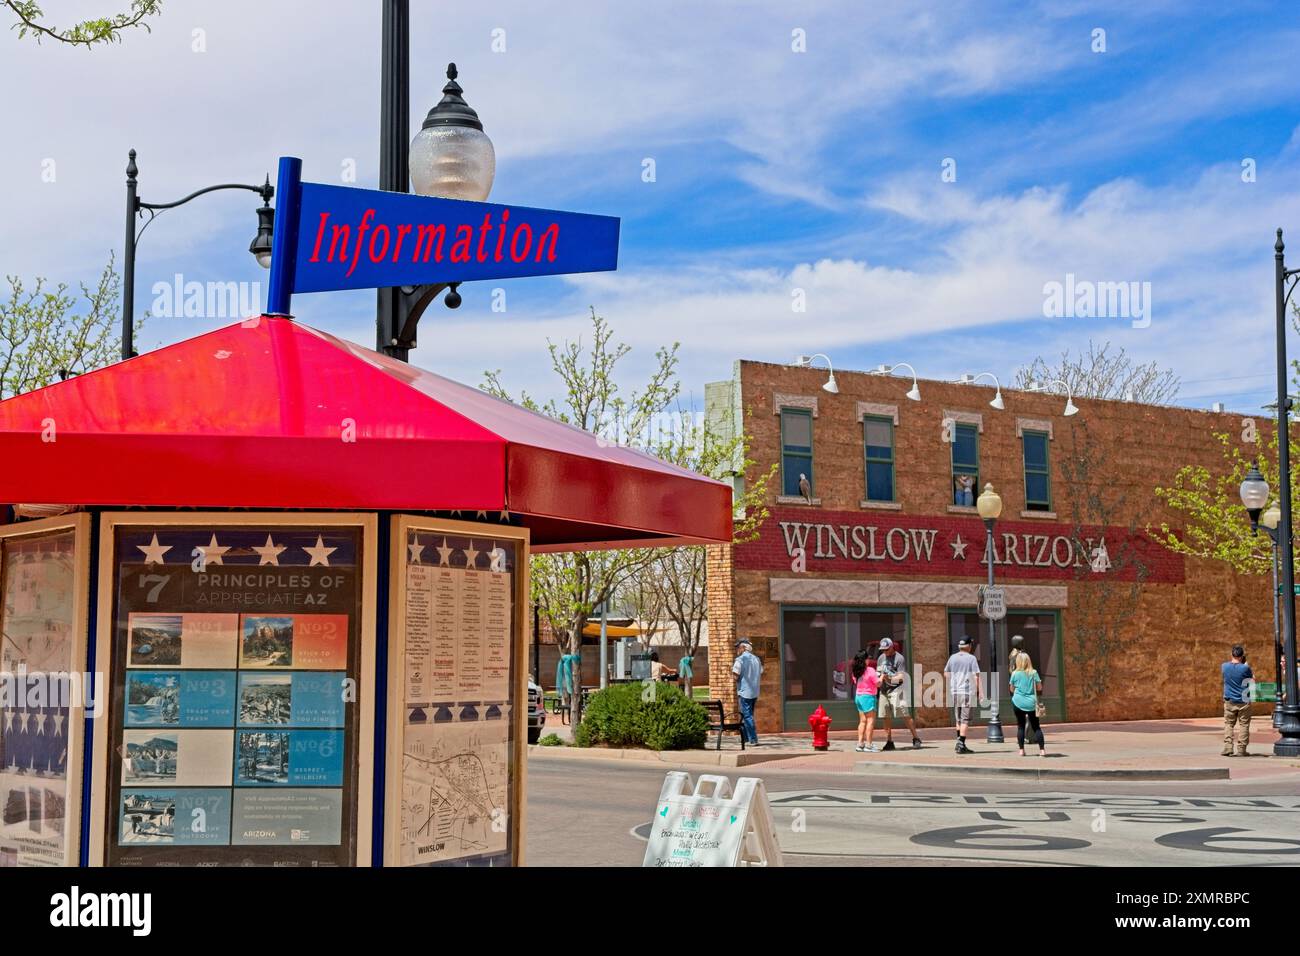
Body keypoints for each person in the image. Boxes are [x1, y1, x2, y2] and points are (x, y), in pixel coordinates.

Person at [876, 637, 923, 750]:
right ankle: (889, 741)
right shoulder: (881, 658)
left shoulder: (899, 658)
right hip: (884, 691)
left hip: (897, 689)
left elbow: (901, 677)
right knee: (885, 716)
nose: (884, 652)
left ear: (892, 647)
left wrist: (889, 678)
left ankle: (916, 738)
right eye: (882, 650)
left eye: (886, 649)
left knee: (904, 714)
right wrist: (879, 678)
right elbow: (878, 672)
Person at [944, 637, 983, 754]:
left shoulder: (952, 658)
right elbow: (976, 676)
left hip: (955, 692)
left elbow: (946, 674)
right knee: (965, 719)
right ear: (969, 646)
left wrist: (955, 679)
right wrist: (980, 692)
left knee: (958, 718)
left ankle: (959, 743)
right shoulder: (971, 658)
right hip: (967, 692)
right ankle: (961, 744)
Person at [1009, 653, 1046, 757]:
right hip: (1031, 702)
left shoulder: (1015, 674)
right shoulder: (1033, 673)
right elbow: (1039, 688)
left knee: (1020, 726)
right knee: (1036, 727)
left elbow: (1011, 689)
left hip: (1018, 701)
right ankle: (1042, 750)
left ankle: (1021, 750)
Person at [1222, 644, 1254, 757]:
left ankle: (1228, 747)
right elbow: (1251, 681)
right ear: (1242, 656)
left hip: (1229, 699)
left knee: (1229, 724)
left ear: (1232, 654)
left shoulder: (1224, 666)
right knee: (1244, 725)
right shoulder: (1245, 668)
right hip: (1244, 700)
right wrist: (1246, 666)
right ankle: (1241, 750)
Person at [732, 639, 763, 746]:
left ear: (743, 648)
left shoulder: (740, 660)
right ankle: (744, 738)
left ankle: (753, 739)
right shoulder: (757, 659)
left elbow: (735, 676)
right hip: (754, 691)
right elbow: (761, 672)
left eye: (738, 647)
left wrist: (733, 676)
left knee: (747, 716)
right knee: (748, 715)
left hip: (744, 692)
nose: (736, 650)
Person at [852, 650, 880, 753]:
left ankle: (860, 743)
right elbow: (878, 684)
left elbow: (856, 681)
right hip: (868, 697)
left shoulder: (855, 671)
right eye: (868, 658)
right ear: (864, 660)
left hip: (858, 696)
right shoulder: (870, 670)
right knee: (870, 721)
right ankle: (869, 744)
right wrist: (881, 676)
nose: (869, 660)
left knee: (862, 721)